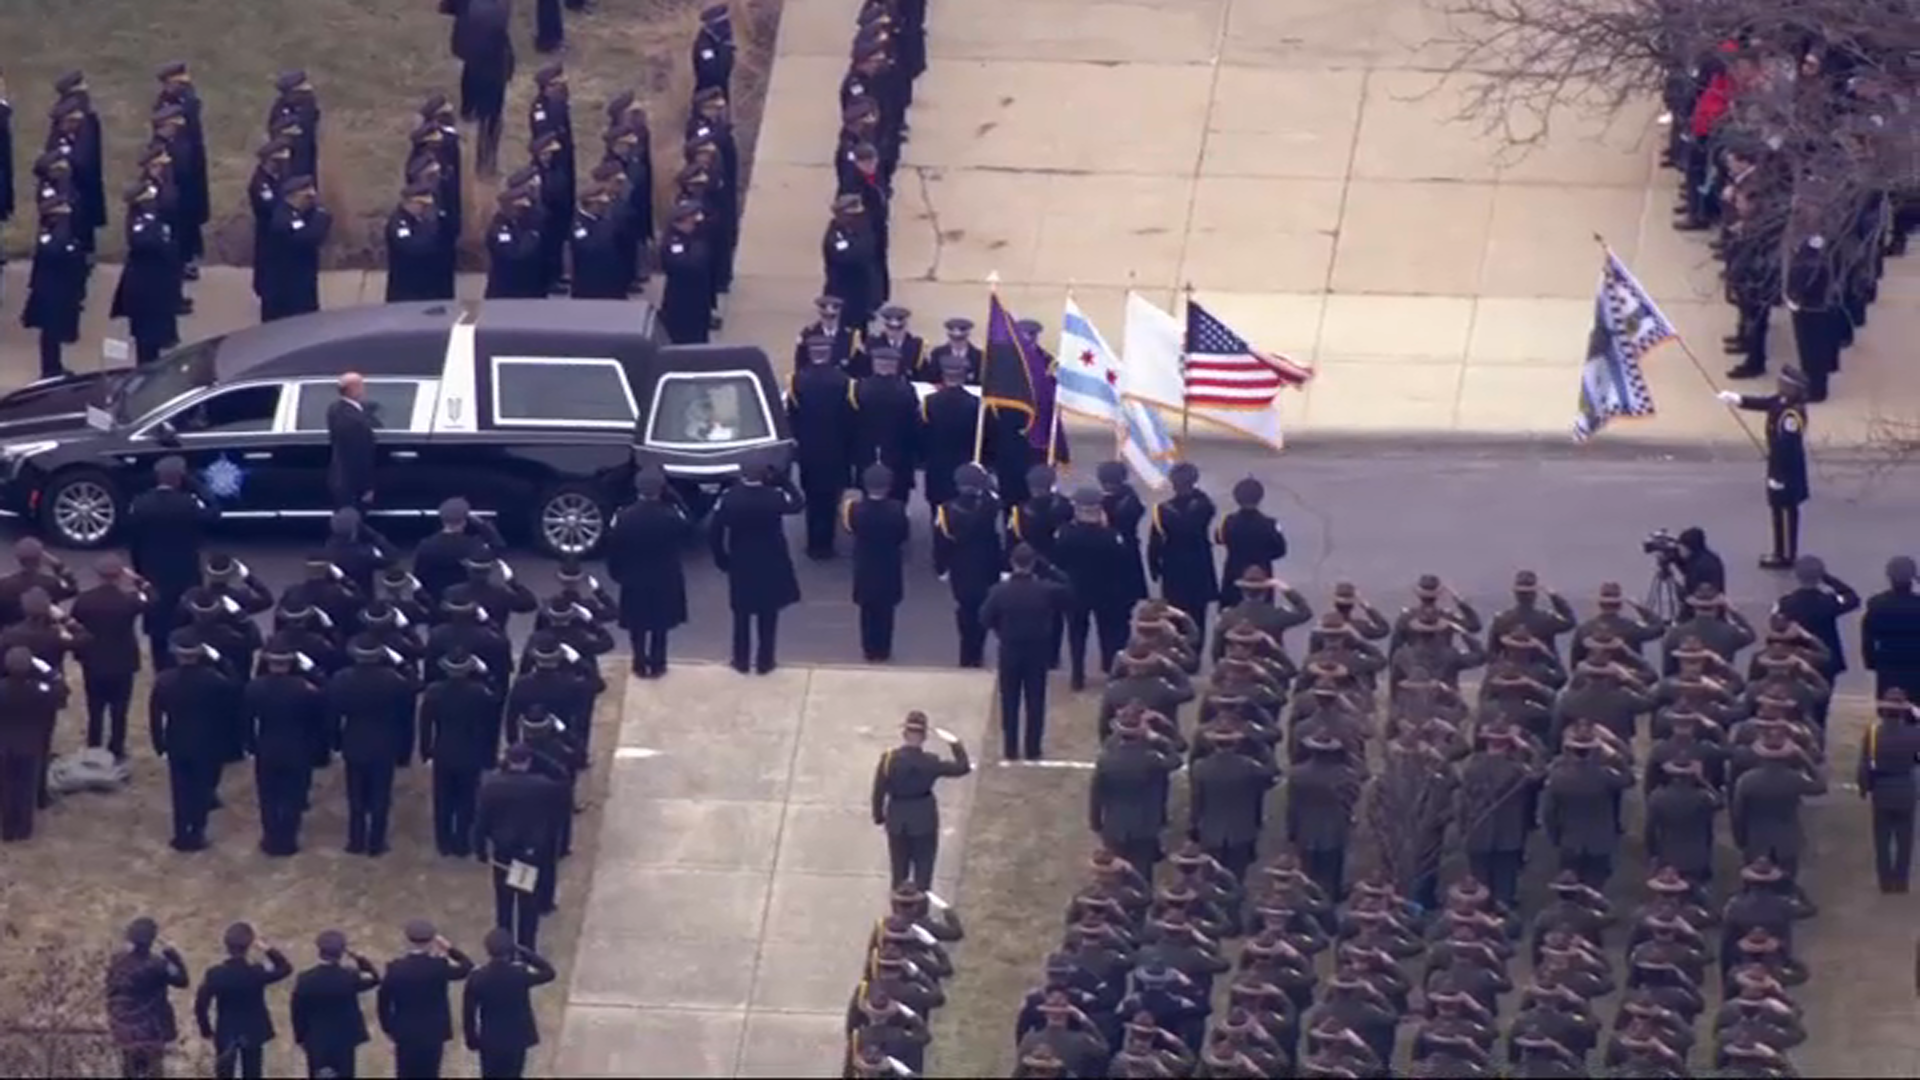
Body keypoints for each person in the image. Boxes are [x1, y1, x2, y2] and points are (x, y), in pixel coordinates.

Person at [708, 457, 805, 674]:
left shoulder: (730, 498)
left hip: (741, 560)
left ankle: (740, 660)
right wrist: (784, 482)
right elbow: (798, 504)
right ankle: (765, 661)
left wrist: (721, 558)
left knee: (741, 614)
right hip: (771, 560)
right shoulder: (774, 497)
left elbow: (715, 532)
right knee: (768, 615)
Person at [981, 543, 1073, 760]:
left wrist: (1001, 630)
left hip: (1010, 648)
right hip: (1038, 650)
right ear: (1033, 563)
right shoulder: (1046, 590)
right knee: (1035, 701)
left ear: (1012, 562)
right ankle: (1033, 749)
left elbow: (984, 618)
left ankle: (1010, 749)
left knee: (1009, 701)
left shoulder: (999, 591)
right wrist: (1049, 568)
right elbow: (1070, 590)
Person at [329, 635, 417, 856]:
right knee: (381, 795)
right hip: (384, 742)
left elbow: (332, 714)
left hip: (354, 739)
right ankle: (377, 842)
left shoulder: (342, 678)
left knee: (355, 795)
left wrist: (337, 741)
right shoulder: (393, 680)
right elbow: (412, 692)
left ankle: (356, 841)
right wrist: (402, 664)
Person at [475, 744, 565, 950]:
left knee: (504, 904)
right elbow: (562, 777)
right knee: (527, 905)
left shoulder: (492, 785)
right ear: (529, 761)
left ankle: (504, 947)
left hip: (503, 852)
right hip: (529, 852)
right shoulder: (542, 786)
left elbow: (481, 820)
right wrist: (540, 755)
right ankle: (526, 949)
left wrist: (480, 848)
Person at [1718, 368, 1810, 569]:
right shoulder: (1781, 402)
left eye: (1784, 383)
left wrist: (1779, 475)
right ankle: (1779, 551)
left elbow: (1788, 449)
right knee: (1777, 510)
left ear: (1794, 388)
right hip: (1777, 465)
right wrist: (1738, 399)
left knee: (1786, 511)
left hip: (1786, 470)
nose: (1779, 385)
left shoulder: (1792, 415)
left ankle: (1786, 555)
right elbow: (1765, 403)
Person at [150, 631, 234, 851]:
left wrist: (159, 743)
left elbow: (155, 715)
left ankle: (180, 833)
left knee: (180, 789)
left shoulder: (164, 680)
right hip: (207, 740)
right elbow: (233, 692)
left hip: (176, 739)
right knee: (202, 787)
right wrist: (219, 660)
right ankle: (197, 831)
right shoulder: (214, 680)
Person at [246, 637, 325, 856]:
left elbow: (246, 720)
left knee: (268, 796)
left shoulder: (255, 688)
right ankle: (288, 839)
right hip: (297, 747)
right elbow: (318, 717)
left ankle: (270, 838)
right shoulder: (306, 690)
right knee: (293, 795)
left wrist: (252, 746)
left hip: (267, 746)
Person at [70, 555, 148, 761]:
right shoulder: (129, 601)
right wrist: (139, 581)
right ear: (120, 576)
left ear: (98, 575)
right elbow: (153, 598)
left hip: (94, 662)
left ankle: (94, 746)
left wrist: (79, 655)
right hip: (123, 662)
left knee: (95, 709)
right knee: (119, 710)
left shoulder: (85, 600)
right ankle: (116, 749)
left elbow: (74, 626)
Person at [194, 923, 292, 1080]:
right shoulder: (256, 972)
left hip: (226, 1029)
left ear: (226, 945)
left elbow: (201, 1005)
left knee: (225, 1072)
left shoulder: (216, 974)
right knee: (253, 1072)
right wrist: (266, 948)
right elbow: (285, 968)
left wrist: (206, 1030)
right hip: (253, 1029)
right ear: (248, 946)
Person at [788, 334, 856, 559]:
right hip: (836, 448)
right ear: (829, 353)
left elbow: (792, 417)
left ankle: (813, 543)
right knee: (830, 499)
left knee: (813, 498)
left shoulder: (798, 380)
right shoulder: (843, 381)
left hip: (810, 449)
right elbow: (849, 419)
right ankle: (827, 544)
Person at [379, 920, 475, 1080]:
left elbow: (383, 1001)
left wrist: (389, 1029)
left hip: (405, 1034)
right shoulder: (439, 967)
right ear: (431, 941)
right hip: (433, 1033)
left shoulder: (395, 968)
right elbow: (467, 967)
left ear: (408, 940)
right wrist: (449, 948)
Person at [461, 929, 556, 1079]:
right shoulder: (520, 973)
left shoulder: (477, 978)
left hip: (490, 1039)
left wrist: (471, 1039)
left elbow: (469, 1013)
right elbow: (548, 973)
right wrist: (523, 951)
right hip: (516, 1037)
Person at [935, 463, 1004, 669]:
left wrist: (941, 567)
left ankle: (967, 655)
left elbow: (942, 542)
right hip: (987, 565)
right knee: (983, 610)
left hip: (961, 568)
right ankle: (978, 653)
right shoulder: (992, 505)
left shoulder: (946, 510)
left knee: (965, 611)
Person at [290, 930, 381, 1080]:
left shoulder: (305, 979)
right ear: (341, 953)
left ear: (319, 951)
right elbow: (374, 979)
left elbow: (297, 1011)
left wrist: (300, 1037)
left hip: (316, 1037)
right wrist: (359, 958)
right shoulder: (349, 977)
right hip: (345, 1038)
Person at [107, 917, 191, 1079]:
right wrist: (174, 957)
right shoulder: (159, 965)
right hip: (152, 1032)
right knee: (154, 1072)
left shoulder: (118, 962)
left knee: (129, 1072)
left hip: (126, 1031)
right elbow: (182, 981)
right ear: (152, 939)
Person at [1148, 462, 1220, 644]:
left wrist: (1154, 567)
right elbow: (1208, 505)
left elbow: (1155, 542)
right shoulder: (1204, 506)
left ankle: (1178, 650)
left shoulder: (1162, 510)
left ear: (1172, 483)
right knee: (1198, 615)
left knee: (1175, 612)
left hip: (1173, 567)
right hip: (1199, 565)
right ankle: (1195, 653)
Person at [847, 463, 911, 661]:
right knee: (886, 613)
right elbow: (903, 535)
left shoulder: (856, 509)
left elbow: (852, 530)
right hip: (888, 565)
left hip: (865, 564)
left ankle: (869, 649)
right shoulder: (897, 509)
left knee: (867, 612)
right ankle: (883, 650)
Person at [20, 194, 88, 379]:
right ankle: (49, 370)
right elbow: (59, 254)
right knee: (50, 332)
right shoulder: (50, 237)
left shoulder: (55, 235)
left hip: (58, 290)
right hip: (50, 291)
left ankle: (54, 365)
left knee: (54, 332)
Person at [0, 647, 63, 842]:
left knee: (6, 785)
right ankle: (23, 828)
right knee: (26, 787)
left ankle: (8, 829)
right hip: (30, 743)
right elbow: (61, 691)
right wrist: (47, 670)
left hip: (4, 744)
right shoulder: (38, 690)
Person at [1859, 691, 1920, 894]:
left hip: (1882, 789)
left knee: (1882, 839)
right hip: (1906, 788)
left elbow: (1865, 764)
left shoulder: (1873, 732)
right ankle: (1901, 882)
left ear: (1883, 710)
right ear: (1904, 713)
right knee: (1905, 840)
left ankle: (1885, 882)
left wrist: (1864, 788)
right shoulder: (1915, 733)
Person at [452, 0, 513, 175]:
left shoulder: (474, 7)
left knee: (470, 79)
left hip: (473, 58)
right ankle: (486, 162)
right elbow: (502, 40)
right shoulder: (498, 10)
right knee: (491, 120)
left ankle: (468, 109)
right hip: (492, 71)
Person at [258, 174, 330, 322]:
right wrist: (322, 218)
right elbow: (309, 238)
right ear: (293, 196)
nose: (311, 200)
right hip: (287, 291)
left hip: (300, 284)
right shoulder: (284, 219)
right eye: (306, 197)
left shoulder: (298, 214)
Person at [1215, 477, 1287, 609]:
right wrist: (1264, 556)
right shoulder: (1269, 523)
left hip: (1234, 572)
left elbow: (1219, 539)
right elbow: (1281, 550)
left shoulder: (1229, 522)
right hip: (1262, 572)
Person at [1864, 556, 1920, 700]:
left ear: (1889, 576)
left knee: (1889, 709)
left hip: (1887, 663)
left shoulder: (1876, 603)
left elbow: (1868, 637)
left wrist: (1870, 661)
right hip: (1916, 664)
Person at [658, 200, 714, 344]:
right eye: (693, 218)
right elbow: (685, 265)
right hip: (682, 300)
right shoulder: (674, 241)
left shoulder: (694, 237)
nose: (697, 222)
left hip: (698, 297)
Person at [386, 181, 449, 302]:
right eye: (421, 205)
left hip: (424, 285)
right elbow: (411, 247)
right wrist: (432, 230)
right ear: (410, 202)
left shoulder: (420, 219)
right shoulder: (399, 223)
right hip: (406, 287)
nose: (424, 209)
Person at [328, 373, 379, 512]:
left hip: (341, 479)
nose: (364, 389)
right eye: (361, 385)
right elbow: (358, 454)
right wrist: (366, 487)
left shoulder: (336, 409)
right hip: (352, 484)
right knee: (355, 520)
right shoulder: (353, 420)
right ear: (353, 389)